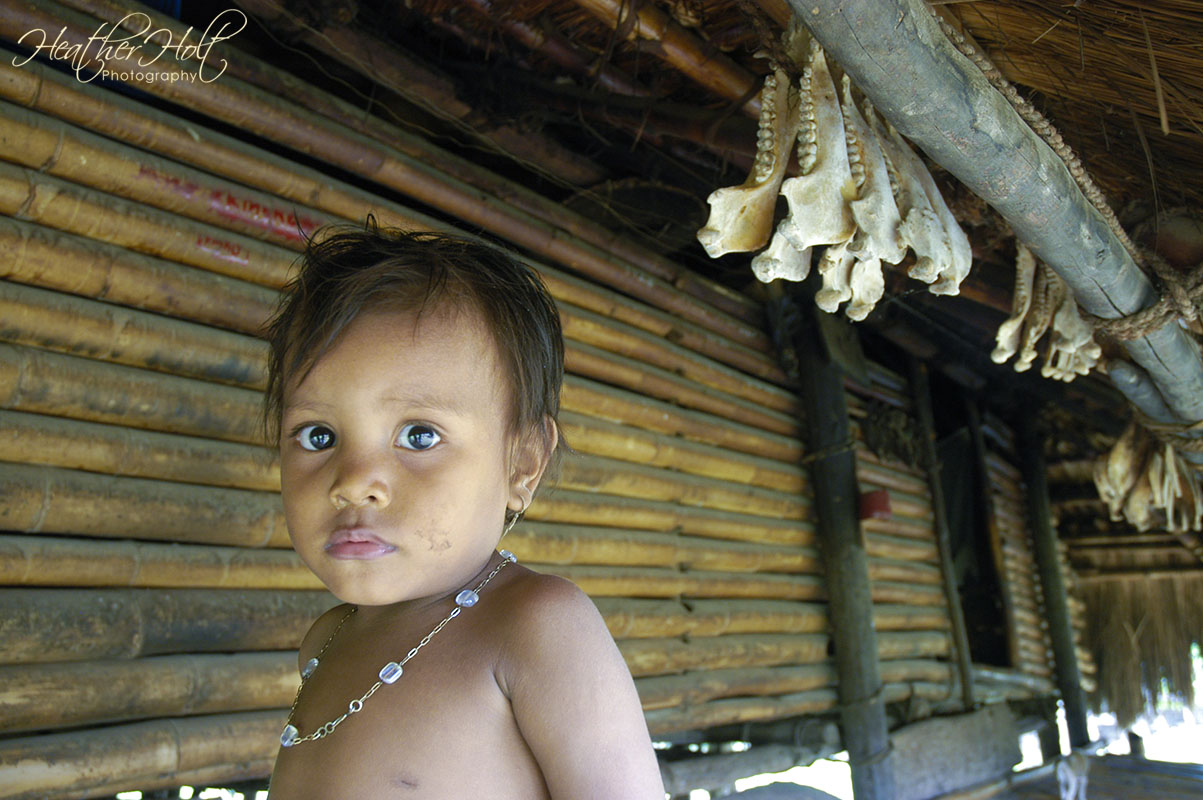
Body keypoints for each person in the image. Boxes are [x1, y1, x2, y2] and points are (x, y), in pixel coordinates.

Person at [261, 219, 666, 798]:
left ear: (522, 463)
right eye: (318, 436)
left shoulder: (537, 625)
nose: (354, 484)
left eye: (419, 436)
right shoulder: (325, 641)